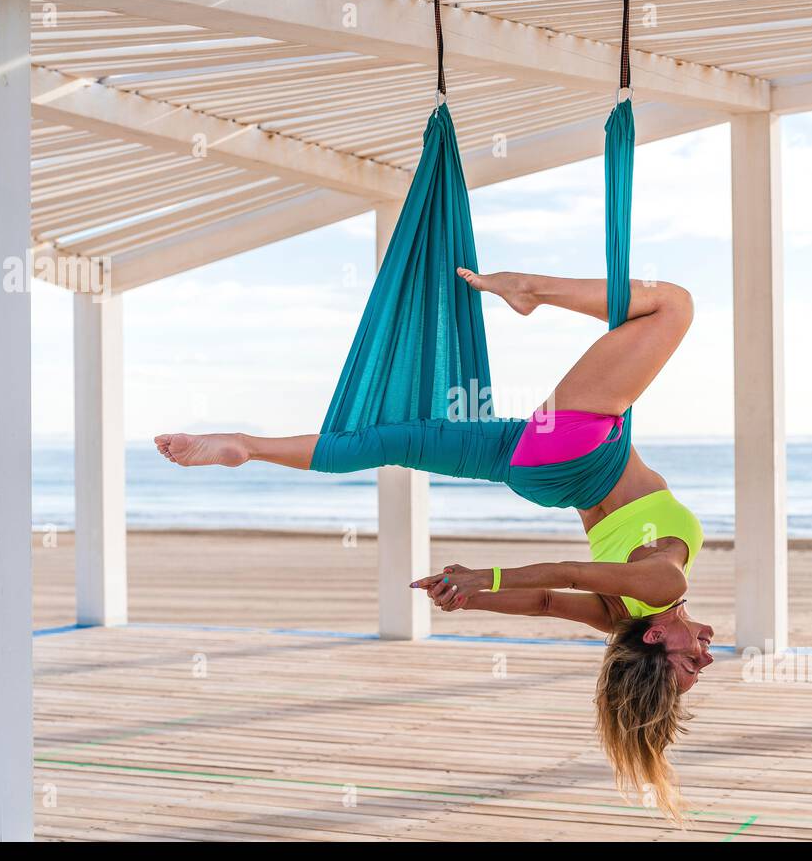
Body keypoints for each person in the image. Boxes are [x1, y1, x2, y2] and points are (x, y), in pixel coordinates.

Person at [155, 269, 713, 821]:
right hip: (535, 466)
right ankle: (246, 446)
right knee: (395, 440)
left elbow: (569, 573)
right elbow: (546, 602)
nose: (707, 653)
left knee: (674, 306)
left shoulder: (665, 586)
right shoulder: (617, 618)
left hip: (579, 448)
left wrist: (484, 580)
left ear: (658, 636)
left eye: (690, 661)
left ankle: (529, 291)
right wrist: (467, 596)